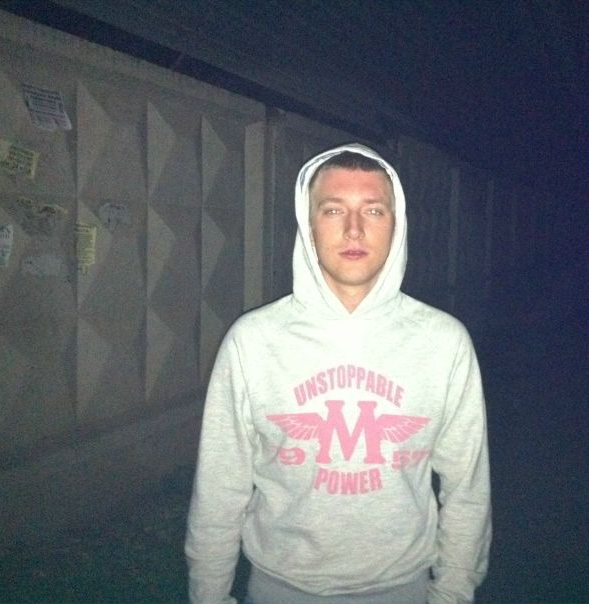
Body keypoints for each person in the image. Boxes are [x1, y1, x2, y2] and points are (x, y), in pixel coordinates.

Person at [185, 143, 491, 604]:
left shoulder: (444, 342)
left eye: (373, 210)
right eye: (333, 210)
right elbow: (219, 487)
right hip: (279, 591)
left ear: (397, 224)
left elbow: (467, 489)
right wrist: (209, 596)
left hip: (403, 590)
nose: (354, 229)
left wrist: (452, 594)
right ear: (308, 224)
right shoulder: (254, 341)